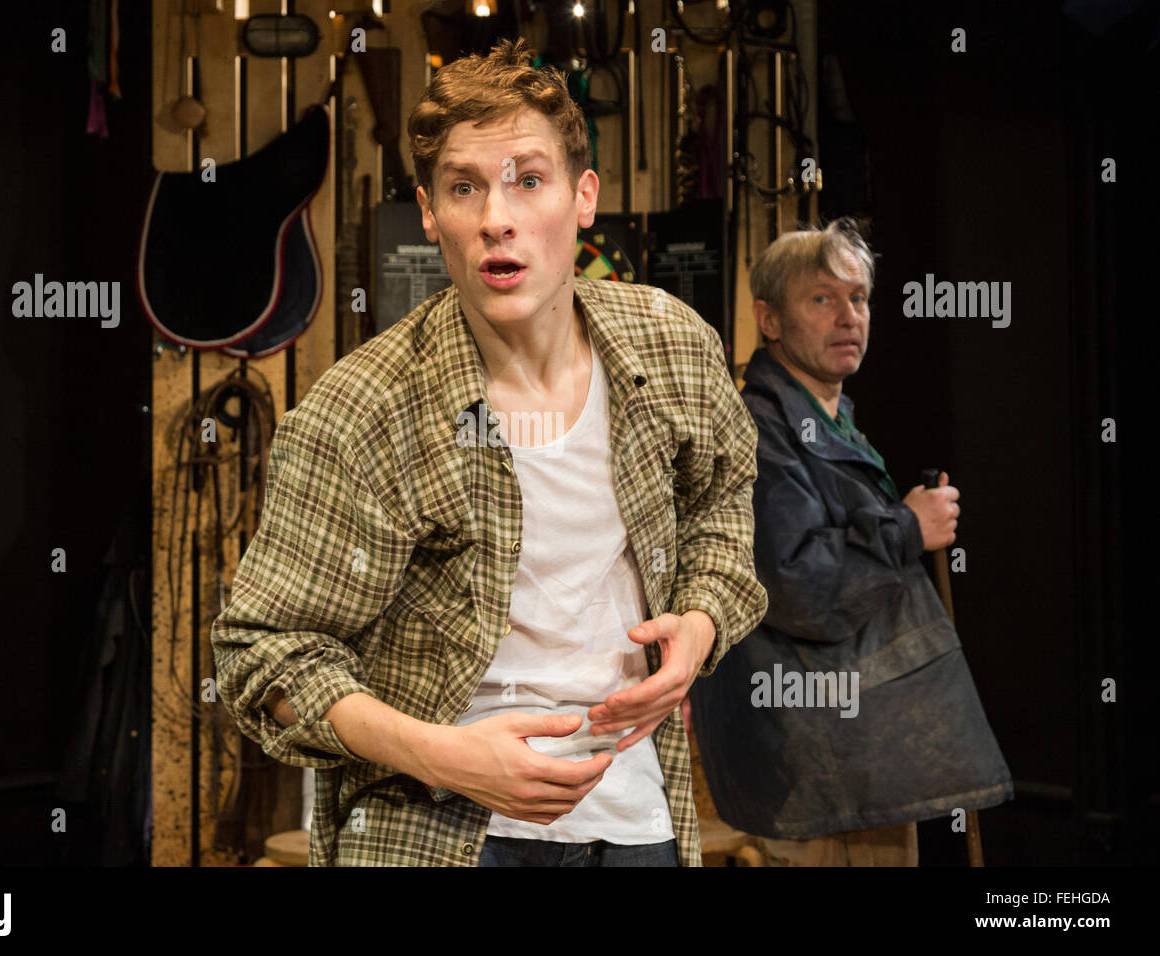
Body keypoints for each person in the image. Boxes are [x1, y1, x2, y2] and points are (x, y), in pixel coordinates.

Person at [210, 38, 768, 867]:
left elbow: (723, 505)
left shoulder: (673, 347)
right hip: (435, 835)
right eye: (464, 188)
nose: (496, 216)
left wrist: (697, 624)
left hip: (636, 820)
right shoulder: (363, 409)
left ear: (584, 198)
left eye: (527, 180)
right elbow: (261, 657)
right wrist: (440, 755)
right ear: (432, 212)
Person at [688, 217, 1013, 865]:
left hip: (863, 756)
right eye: (821, 298)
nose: (848, 316)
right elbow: (800, 587)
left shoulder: (829, 415)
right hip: (816, 769)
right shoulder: (764, 430)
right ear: (769, 319)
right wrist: (907, 529)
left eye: (858, 297)